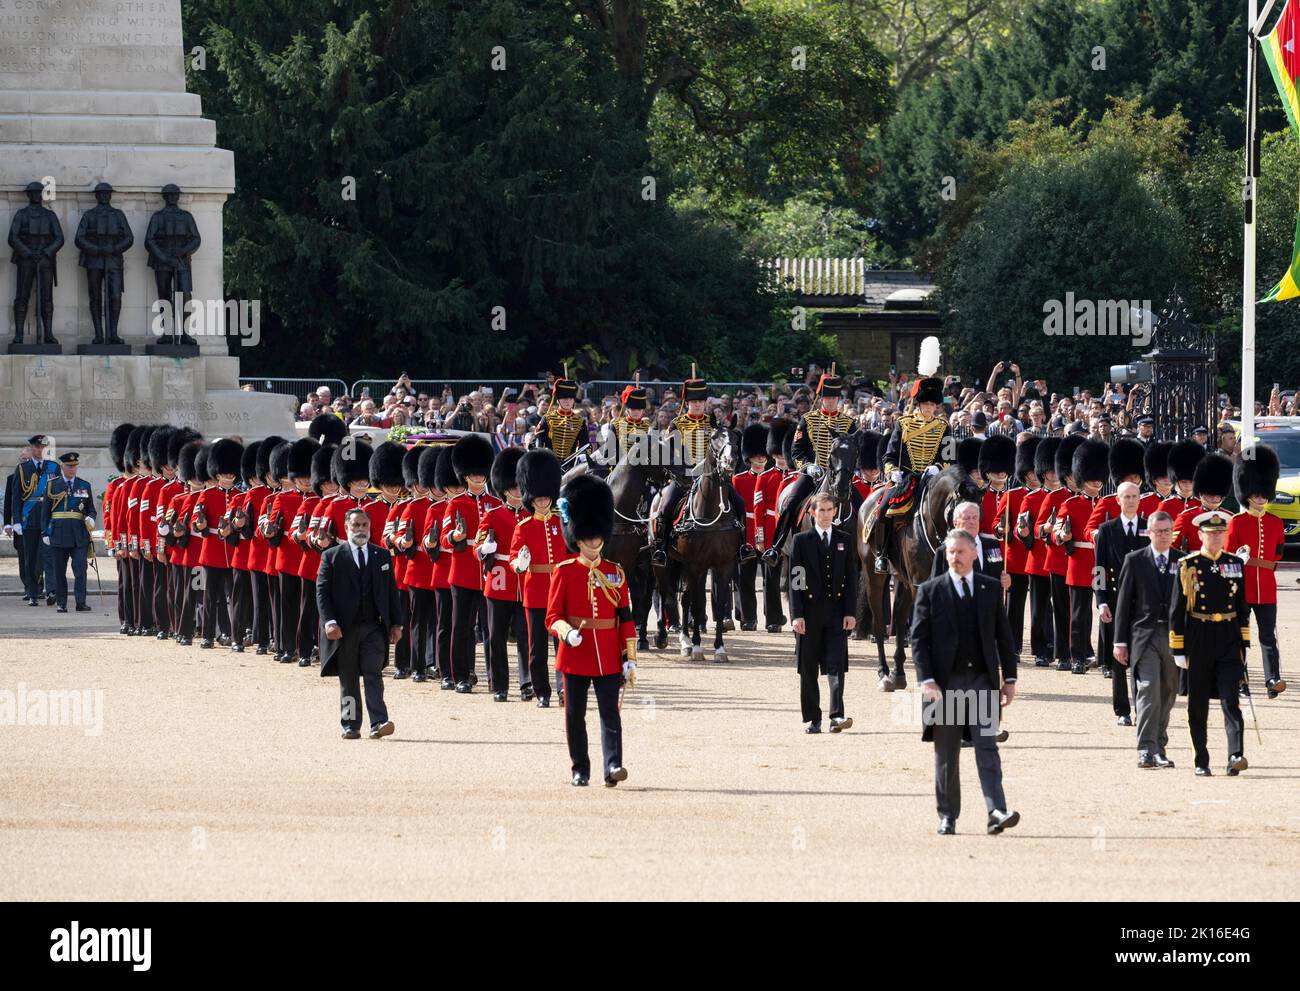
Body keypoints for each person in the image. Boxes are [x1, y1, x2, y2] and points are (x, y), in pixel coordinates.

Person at [911, 529, 1019, 836]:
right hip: (944, 687)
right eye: (950, 553)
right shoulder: (930, 591)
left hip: (982, 682)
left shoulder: (988, 588)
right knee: (947, 755)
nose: (955, 558)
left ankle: (996, 811)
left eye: (960, 552)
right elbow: (918, 640)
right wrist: (927, 680)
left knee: (987, 749)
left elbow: (1003, 635)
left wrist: (1009, 679)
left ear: (974, 553)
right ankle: (948, 815)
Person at [545, 474, 636, 787]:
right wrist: (567, 633)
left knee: (611, 715)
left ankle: (613, 766)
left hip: (609, 656)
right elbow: (553, 616)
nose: (594, 542)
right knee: (574, 717)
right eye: (588, 537)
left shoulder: (615, 572)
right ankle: (579, 768)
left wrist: (630, 657)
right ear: (577, 536)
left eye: (598, 536)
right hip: (575, 657)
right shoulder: (564, 572)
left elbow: (625, 617)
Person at [1171, 511, 1251, 776]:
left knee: (1231, 700)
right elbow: (1177, 610)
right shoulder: (1188, 565)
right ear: (1200, 535)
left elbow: (1242, 606)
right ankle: (1201, 759)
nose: (1216, 537)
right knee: (1199, 704)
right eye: (1211, 533)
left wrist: (1244, 643)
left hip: (1228, 637)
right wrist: (1178, 648)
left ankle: (1235, 754)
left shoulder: (1235, 564)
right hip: (1199, 637)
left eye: (1220, 533)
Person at [317, 508, 402, 740]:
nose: (361, 529)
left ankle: (378, 722)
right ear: (346, 527)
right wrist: (330, 622)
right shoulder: (332, 556)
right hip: (344, 629)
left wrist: (397, 623)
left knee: (374, 673)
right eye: (356, 525)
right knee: (349, 677)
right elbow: (322, 592)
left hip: (374, 627)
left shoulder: (382, 556)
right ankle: (351, 725)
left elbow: (391, 591)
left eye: (365, 525)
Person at [1113, 510, 1180, 769]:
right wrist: (1120, 641)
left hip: (1174, 638)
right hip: (1145, 636)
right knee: (1148, 689)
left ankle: (1159, 746)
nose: (1163, 536)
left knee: (1168, 694)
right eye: (1158, 531)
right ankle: (1145, 749)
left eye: (1167, 531)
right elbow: (1123, 604)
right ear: (1149, 533)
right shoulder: (1135, 560)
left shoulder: (1183, 560)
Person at [769, 371, 857, 563]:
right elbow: (796, 451)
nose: (831, 400)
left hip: (841, 475)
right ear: (821, 398)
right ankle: (777, 547)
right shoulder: (808, 420)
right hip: (813, 474)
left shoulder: (849, 423)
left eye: (834, 397)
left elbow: (854, 451)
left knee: (863, 505)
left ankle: (866, 554)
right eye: (827, 397)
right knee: (790, 503)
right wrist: (807, 467)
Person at [789, 494, 859, 734]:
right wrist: (797, 614)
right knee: (808, 667)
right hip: (809, 614)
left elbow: (852, 579)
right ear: (813, 513)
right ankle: (813, 719)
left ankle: (836, 716)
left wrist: (851, 611)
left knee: (836, 664)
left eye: (830, 510)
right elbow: (796, 581)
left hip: (837, 612)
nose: (827, 514)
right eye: (822, 510)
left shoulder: (845, 539)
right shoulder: (801, 541)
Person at [441, 434, 502, 692]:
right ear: (465, 476)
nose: (478, 478)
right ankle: (461, 676)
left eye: (481, 474)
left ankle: (492, 678)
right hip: (463, 571)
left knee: (490, 631)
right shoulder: (455, 503)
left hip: (489, 573)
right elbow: (444, 539)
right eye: (473, 474)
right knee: (461, 627)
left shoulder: (495, 504)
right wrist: (455, 535)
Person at [871, 375, 951, 573]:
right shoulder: (903, 423)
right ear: (919, 403)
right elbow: (889, 456)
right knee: (882, 510)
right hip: (906, 480)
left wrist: (938, 468)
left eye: (933, 404)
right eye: (926, 403)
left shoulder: (943, 427)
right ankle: (881, 554)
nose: (929, 408)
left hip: (933, 480)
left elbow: (950, 458)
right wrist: (893, 471)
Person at [510, 449, 570, 705]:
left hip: (559, 590)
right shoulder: (523, 526)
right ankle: (541, 691)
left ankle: (562, 689)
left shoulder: (561, 523)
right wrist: (520, 564)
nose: (543, 501)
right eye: (539, 498)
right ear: (531, 499)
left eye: (547, 497)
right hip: (534, 591)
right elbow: (514, 558)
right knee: (537, 648)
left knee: (562, 644)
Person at [1227, 444, 1285, 698]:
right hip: (1243, 585)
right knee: (1241, 636)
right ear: (1247, 492)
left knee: (1268, 636)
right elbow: (1228, 555)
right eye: (1256, 493)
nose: (1260, 497)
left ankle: (1272, 678)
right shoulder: (1237, 522)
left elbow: (1278, 553)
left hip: (1267, 588)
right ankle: (1241, 679)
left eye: (1264, 493)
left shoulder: (1276, 523)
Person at [476, 447, 530, 700]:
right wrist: (485, 548)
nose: (518, 491)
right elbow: (478, 546)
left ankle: (526, 682)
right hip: (500, 580)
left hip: (526, 580)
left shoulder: (532, 515)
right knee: (496, 637)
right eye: (514, 486)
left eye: (521, 486)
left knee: (526, 636)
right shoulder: (493, 513)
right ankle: (499, 685)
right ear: (505, 487)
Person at [1093, 481, 1149, 725]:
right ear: (1117, 500)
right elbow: (1099, 569)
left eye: (1134, 496)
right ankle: (1122, 711)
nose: (1131, 500)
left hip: (1142, 602)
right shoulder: (1106, 529)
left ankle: (1141, 707)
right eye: (1126, 496)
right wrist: (1101, 601)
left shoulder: (1148, 528)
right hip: (1115, 600)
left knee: (1140, 657)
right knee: (1118, 658)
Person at [1055, 438, 1108, 674]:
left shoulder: (1108, 503)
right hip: (1079, 560)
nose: (1096, 481)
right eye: (1091, 476)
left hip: (1101, 563)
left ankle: (1104, 657)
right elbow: (1058, 530)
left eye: (1099, 476)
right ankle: (1077, 655)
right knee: (1078, 613)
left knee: (1105, 611)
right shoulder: (1070, 503)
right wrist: (1061, 535)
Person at [42, 452, 96, 613]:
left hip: (79, 534)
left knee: (80, 569)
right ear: (62, 467)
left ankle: (81, 602)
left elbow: (90, 509)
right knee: (59, 570)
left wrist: (91, 518)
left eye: (74, 466)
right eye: (69, 466)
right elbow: (45, 513)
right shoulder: (52, 485)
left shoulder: (84, 485)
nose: (72, 469)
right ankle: (61, 602)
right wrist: (45, 532)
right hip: (58, 533)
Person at [14, 434, 59, 606]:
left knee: (49, 557)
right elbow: (17, 497)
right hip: (29, 519)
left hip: (48, 519)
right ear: (32, 448)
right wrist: (16, 520)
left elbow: (58, 495)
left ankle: (51, 591)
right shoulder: (22, 469)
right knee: (31, 559)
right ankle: (33, 593)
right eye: (36, 447)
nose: (39, 450)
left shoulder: (53, 467)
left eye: (42, 447)